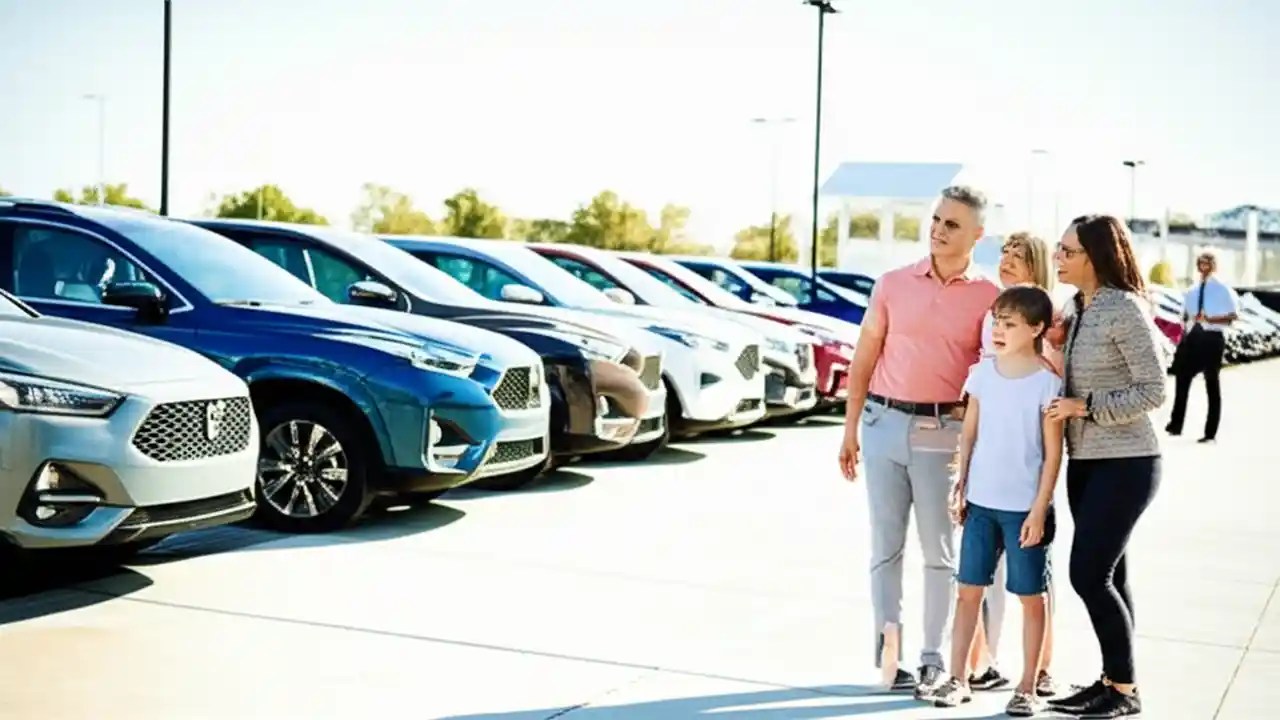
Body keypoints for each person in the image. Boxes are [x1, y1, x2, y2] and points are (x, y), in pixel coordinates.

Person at [837, 185, 1001, 695]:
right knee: (885, 548)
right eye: (936, 219)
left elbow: (994, 373)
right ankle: (889, 656)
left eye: (952, 224)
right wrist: (850, 428)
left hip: (942, 433)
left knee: (939, 552)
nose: (938, 230)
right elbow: (864, 357)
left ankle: (933, 658)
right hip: (882, 424)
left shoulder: (990, 296)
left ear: (977, 234)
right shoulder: (891, 284)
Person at [1044, 214, 1166, 718]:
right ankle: (1113, 680)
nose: (1058, 257)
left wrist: (1086, 406)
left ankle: (1124, 691)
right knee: (1112, 576)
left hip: (1128, 462)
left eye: (1068, 251)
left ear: (1095, 257)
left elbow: (1153, 390)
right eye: (1058, 248)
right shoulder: (1078, 307)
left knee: (1089, 575)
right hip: (1086, 462)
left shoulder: (1122, 307)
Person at [928, 285, 1064, 716]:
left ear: (1036, 328)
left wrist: (1039, 509)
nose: (999, 330)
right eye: (996, 322)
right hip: (980, 506)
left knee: (1031, 597)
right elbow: (968, 434)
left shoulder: (1048, 384)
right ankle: (958, 678)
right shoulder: (982, 375)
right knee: (968, 591)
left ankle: (1027, 687)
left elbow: (1053, 454)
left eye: (1010, 323)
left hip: (1024, 509)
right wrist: (961, 484)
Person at [966, 232, 1062, 699]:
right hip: (989, 470)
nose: (1005, 261)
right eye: (1003, 253)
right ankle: (978, 662)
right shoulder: (995, 316)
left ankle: (1038, 671)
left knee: (1032, 585)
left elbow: (1052, 393)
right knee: (978, 580)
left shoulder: (1049, 328)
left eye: (1017, 256)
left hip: (1027, 476)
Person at [1165, 250, 1239, 443]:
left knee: (1211, 383)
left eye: (1207, 263)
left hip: (1212, 338)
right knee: (1182, 377)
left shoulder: (1223, 290)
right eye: (1201, 263)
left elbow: (1233, 316)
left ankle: (1210, 432)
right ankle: (1176, 424)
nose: (1203, 267)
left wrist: (1210, 319)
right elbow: (1186, 316)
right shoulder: (1193, 290)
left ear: (1214, 266)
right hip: (1193, 337)